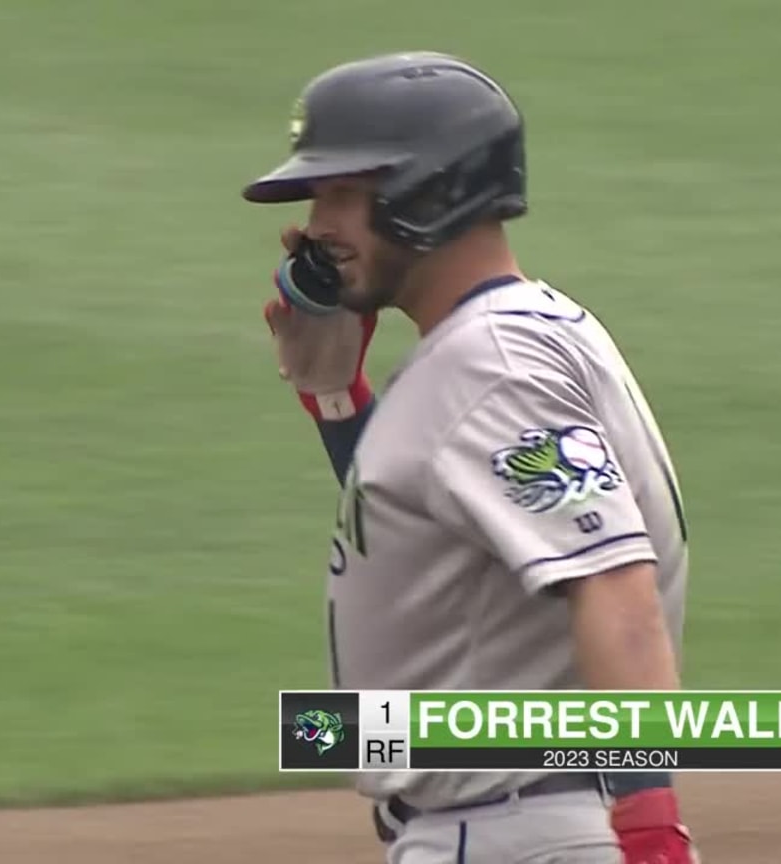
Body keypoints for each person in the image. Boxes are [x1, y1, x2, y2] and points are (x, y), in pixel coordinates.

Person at [243, 51, 699, 864]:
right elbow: (435, 552)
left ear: (432, 192)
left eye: (344, 193)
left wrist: (650, 828)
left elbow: (615, 586)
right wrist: (337, 395)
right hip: (511, 825)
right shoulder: (510, 338)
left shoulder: (494, 367)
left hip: (515, 831)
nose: (317, 224)